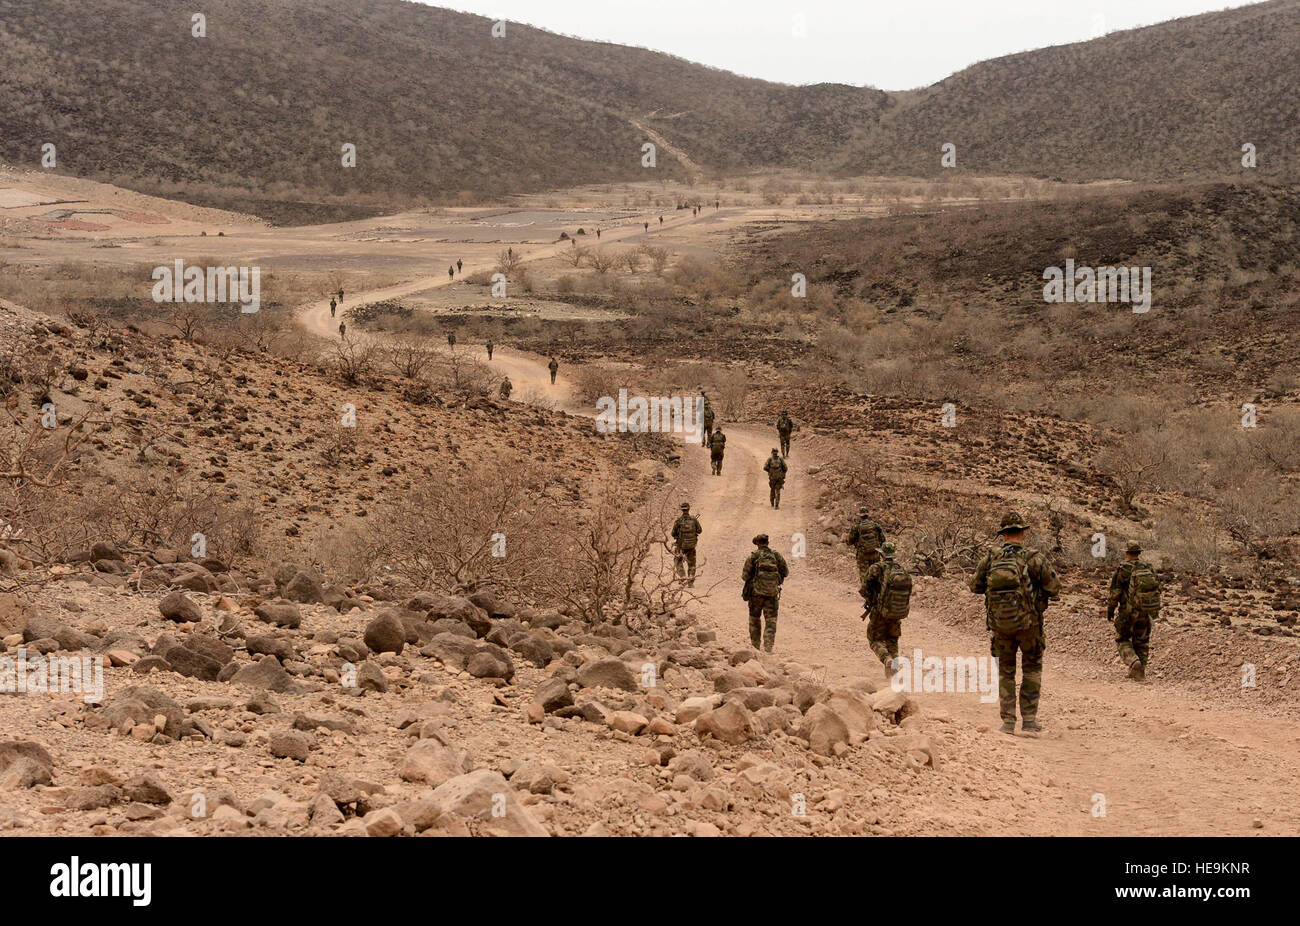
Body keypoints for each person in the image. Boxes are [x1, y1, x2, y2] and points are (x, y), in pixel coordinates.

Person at [969, 511, 1061, 735]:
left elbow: (975, 586)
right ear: (1022, 532)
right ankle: (1029, 721)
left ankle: (1008, 722)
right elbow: (1054, 587)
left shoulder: (991, 558)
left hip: (1000, 626)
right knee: (1031, 670)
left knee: (1006, 673)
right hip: (1030, 625)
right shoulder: (1033, 557)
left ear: (1003, 534)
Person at [1107, 541, 1160, 681]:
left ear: (1127, 553)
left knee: (1122, 638)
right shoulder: (1148, 567)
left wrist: (1110, 609)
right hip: (1145, 611)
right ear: (1139, 553)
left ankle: (1132, 661)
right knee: (1142, 641)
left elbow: (1115, 592)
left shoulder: (1123, 569)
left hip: (1128, 611)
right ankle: (1140, 672)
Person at [860, 542, 911, 678]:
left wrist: (872, 601)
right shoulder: (901, 570)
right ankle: (892, 674)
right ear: (893, 555)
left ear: (881, 554)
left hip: (879, 612)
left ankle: (886, 659)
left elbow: (863, 589)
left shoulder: (875, 568)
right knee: (892, 640)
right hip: (896, 613)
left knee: (875, 640)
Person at [742, 534, 789, 652]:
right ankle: (768, 648)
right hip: (772, 594)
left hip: (756, 594)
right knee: (771, 620)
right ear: (768, 543)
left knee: (754, 619)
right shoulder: (776, 556)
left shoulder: (754, 557)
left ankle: (755, 647)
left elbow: (744, 576)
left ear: (757, 544)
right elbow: (786, 572)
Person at [846, 506, 885, 582]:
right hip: (875, 553)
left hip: (862, 554)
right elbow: (883, 540)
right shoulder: (875, 525)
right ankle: (876, 591)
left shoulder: (856, 527)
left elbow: (850, 541)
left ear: (860, 515)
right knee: (876, 573)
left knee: (864, 574)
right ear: (868, 515)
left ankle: (866, 591)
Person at [671, 502, 702, 586]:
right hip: (691, 546)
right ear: (689, 509)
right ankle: (690, 582)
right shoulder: (694, 519)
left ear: (682, 510)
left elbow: (673, 533)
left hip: (681, 546)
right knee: (691, 563)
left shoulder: (678, 520)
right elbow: (699, 530)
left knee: (677, 561)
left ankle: (682, 576)